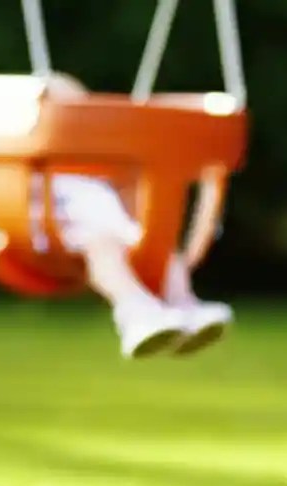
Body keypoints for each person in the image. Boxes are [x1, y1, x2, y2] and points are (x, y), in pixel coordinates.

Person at [35, 73, 235, 359]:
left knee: (164, 253)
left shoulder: (97, 169)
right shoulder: (38, 170)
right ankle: (134, 313)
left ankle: (184, 307)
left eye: (81, 114)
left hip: (119, 234)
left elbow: (153, 117)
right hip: (67, 238)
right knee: (105, 249)